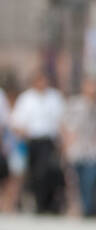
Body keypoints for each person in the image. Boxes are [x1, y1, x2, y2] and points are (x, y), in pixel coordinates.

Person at [10, 68, 66, 213]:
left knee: (47, 171)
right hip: (32, 141)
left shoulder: (55, 97)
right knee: (35, 173)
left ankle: (46, 202)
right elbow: (16, 122)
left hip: (48, 141)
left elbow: (61, 121)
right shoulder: (26, 98)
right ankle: (37, 201)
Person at [62, 76, 96, 216]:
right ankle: (77, 208)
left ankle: (87, 209)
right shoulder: (74, 104)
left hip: (93, 150)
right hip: (76, 149)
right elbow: (66, 126)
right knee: (75, 183)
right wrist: (66, 146)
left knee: (90, 181)